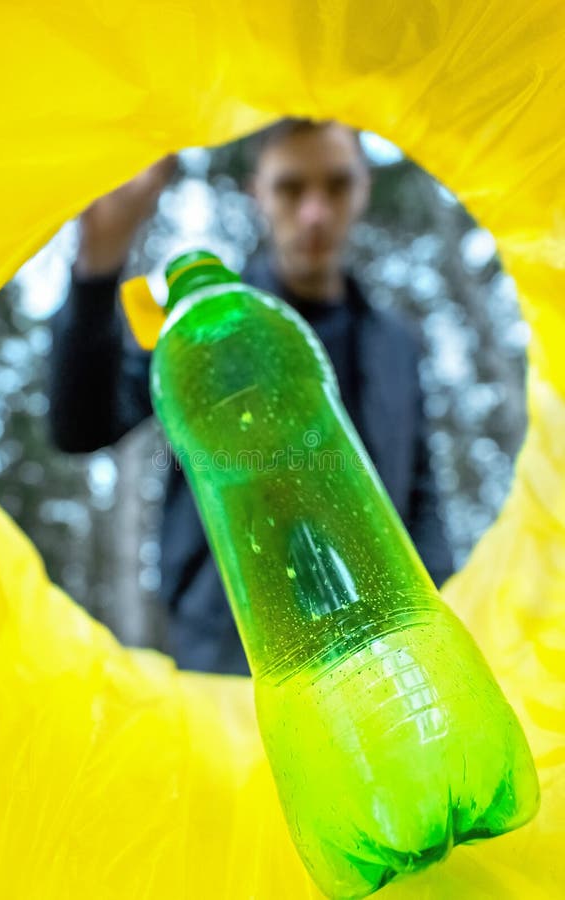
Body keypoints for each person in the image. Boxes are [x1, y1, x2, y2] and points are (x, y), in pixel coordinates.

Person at [48, 118, 453, 675]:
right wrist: (99, 266)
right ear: (256, 192)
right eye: (291, 187)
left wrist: (447, 602)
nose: (315, 213)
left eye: (336, 185)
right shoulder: (206, 328)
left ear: (364, 187)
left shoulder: (395, 343)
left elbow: (420, 489)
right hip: (236, 651)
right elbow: (81, 426)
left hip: (390, 642)